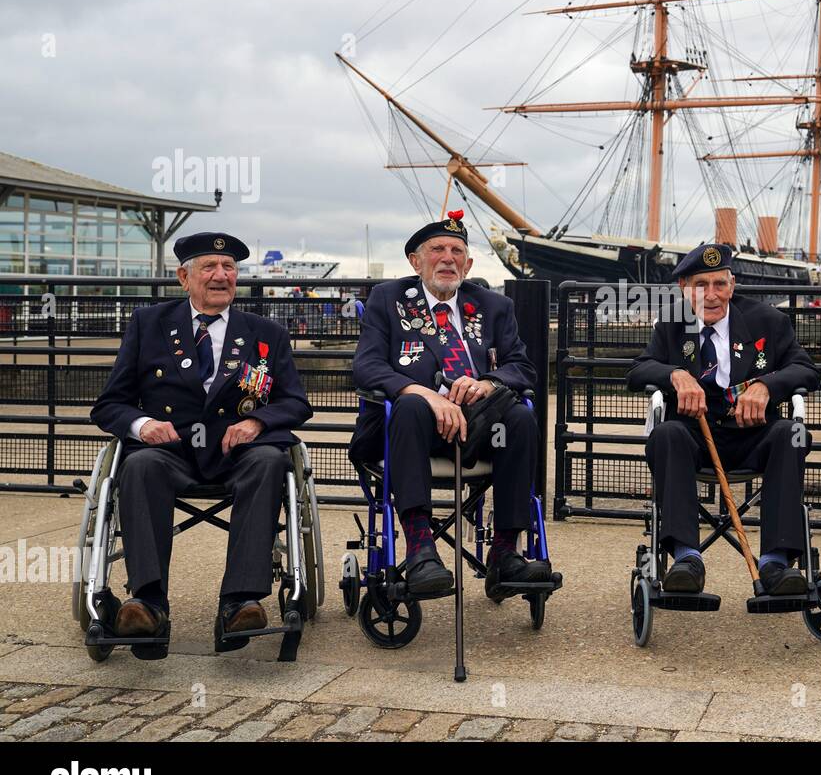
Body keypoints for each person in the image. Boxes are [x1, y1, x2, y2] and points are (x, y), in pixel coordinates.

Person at [90, 232, 312, 654]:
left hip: (238, 453)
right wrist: (142, 425)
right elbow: (109, 405)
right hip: (168, 451)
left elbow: (295, 402)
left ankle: (239, 603)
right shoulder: (149, 324)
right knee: (138, 466)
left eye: (228, 268)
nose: (220, 275)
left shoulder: (266, 333)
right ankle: (148, 602)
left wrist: (258, 423)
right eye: (209, 267)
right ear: (183, 277)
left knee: (270, 463)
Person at [349, 211, 552, 597]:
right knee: (407, 407)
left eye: (457, 250)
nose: (448, 258)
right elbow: (367, 366)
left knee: (522, 419)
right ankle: (421, 547)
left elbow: (522, 368)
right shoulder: (388, 300)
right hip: (413, 431)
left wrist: (489, 384)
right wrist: (421, 393)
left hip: (479, 428)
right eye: (437, 249)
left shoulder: (493, 306)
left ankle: (506, 553)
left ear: (469, 263)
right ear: (415, 261)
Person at [627, 243, 820, 595]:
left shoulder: (768, 321)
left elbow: (806, 370)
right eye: (702, 285)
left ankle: (776, 562)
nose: (712, 295)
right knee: (666, 433)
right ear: (684, 288)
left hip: (753, 435)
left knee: (791, 433)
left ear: (732, 286)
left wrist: (766, 385)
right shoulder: (671, 323)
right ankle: (686, 558)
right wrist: (675, 375)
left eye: (720, 284)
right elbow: (638, 370)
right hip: (694, 438)